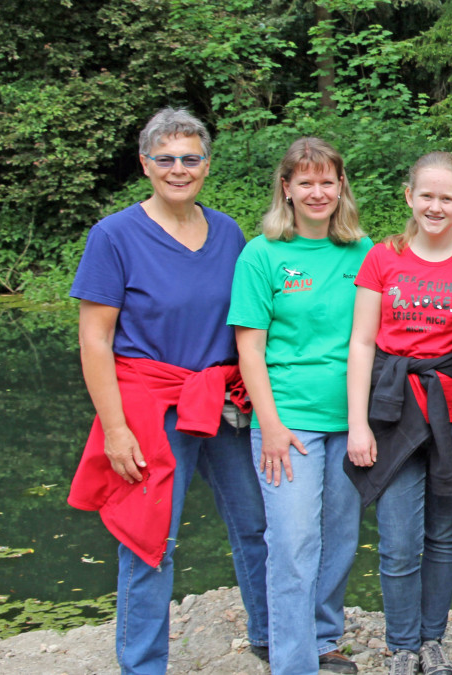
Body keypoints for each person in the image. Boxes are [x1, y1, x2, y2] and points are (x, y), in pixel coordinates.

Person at [68, 107, 269, 675]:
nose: (179, 169)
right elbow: (95, 339)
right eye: (166, 159)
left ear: (206, 164)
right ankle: (143, 663)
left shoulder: (228, 232)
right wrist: (114, 428)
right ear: (145, 164)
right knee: (150, 535)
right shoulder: (113, 235)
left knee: (257, 522)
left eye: (191, 158)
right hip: (149, 403)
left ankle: (271, 636)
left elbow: (251, 323)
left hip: (221, 397)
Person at [229, 138, 372, 675]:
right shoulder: (261, 254)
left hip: (351, 422)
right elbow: (250, 348)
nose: (318, 192)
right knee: (292, 541)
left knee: (339, 538)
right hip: (287, 421)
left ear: (341, 188)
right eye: (305, 182)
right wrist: (269, 425)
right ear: (286, 188)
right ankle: (293, 662)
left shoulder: (362, 252)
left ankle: (323, 637)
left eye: (327, 182)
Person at [345, 151, 452, 675]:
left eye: (446, 197)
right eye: (425, 195)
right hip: (392, 410)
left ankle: (432, 640)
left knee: (445, 534)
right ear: (409, 196)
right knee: (399, 537)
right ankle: (403, 645)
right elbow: (362, 342)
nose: (435, 205)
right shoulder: (383, 258)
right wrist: (357, 422)